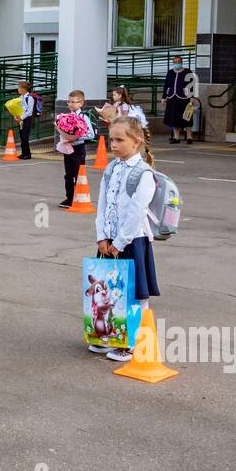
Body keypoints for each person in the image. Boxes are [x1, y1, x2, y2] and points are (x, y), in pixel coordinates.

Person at [94, 115, 160, 362]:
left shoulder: (143, 172)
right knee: (108, 293)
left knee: (134, 294)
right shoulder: (111, 168)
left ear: (136, 141)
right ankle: (110, 336)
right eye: (112, 139)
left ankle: (134, 343)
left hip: (132, 241)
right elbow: (101, 204)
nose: (114, 145)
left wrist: (120, 243)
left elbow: (136, 212)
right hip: (108, 241)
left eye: (120, 140)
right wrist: (102, 236)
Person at [58, 90, 99, 209]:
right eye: (68, 102)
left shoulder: (83, 117)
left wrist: (76, 138)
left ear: (81, 103)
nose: (70, 104)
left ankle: (79, 196)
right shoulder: (66, 117)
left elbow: (91, 134)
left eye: (73, 102)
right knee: (68, 174)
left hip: (78, 149)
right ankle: (69, 198)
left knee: (78, 174)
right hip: (68, 148)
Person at [161, 56, 196, 144]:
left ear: (181, 62)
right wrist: (163, 97)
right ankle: (176, 138)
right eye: (175, 62)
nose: (177, 63)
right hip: (172, 98)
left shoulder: (187, 72)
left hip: (185, 98)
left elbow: (192, 85)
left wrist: (192, 97)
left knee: (187, 117)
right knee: (174, 118)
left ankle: (189, 137)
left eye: (178, 61)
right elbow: (166, 85)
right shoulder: (170, 72)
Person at [16, 80, 35, 160]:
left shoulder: (29, 98)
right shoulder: (21, 97)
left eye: (19, 88)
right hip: (21, 119)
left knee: (25, 137)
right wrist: (17, 116)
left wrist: (21, 118)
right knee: (21, 136)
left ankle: (27, 154)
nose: (18, 90)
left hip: (26, 119)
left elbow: (29, 111)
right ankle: (23, 153)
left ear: (23, 89)